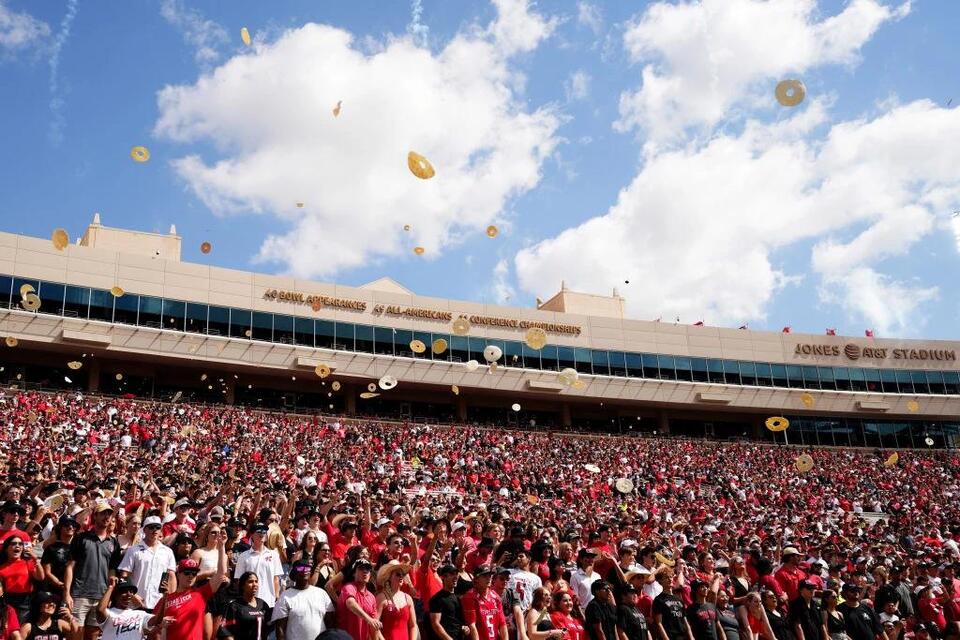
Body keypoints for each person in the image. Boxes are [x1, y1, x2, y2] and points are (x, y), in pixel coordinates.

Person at [148, 536, 227, 640]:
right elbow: (150, 628)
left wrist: (221, 547)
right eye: (187, 573)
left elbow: (220, 574)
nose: (191, 576)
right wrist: (161, 626)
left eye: (194, 573)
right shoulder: (165, 599)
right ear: (178, 574)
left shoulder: (201, 593)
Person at [64, 502, 122, 637]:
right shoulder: (81, 538)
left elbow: (112, 568)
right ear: (95, 516)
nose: (107, 517)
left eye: (109, 514)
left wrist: (112, 580)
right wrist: (67, 593)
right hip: (79, 595)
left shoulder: (113, 542)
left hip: (101, 596)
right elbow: (70, 566)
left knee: (93, 636)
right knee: (75, 635)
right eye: (103, 513)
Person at [117, 515, 176, 610]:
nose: (155, 530)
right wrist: (132, 595)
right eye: (151, 527)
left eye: (157, 527)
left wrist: (171, 600)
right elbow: (124, 575)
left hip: (158, 604)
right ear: (144, 530)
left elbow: (171, 576)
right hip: (135, 604)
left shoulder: (168, 552)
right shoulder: (133, 550)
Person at [272, 560, 336, 640]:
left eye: (307, 568)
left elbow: (330, 623)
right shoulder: (285, 596)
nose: (304, 571)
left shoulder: (321, 593)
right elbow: (280, 628)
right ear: (294, 573)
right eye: (300, 568)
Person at [233, 524, 284, 610]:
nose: (262, 534)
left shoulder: (274, 555)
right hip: (249, 602)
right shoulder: (243, 556)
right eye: (259, 531)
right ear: (252, 535)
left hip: (269, 602)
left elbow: (276, 579)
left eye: (264, 531)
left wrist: (277, 597)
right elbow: (239, 580)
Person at [0, 535, 43, 624]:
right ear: (6, 548)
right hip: (7, 600)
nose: (17, 546)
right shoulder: (1, 567)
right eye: (13, 544)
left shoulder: (28, 562)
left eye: (20, 544)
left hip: (24, 601)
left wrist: (35, 559)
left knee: (21, 627)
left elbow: (40, 577)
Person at [219, 571, 272, 640]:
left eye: (256, 581)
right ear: (242, 585)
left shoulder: (263, 604)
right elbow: (226, 631)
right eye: (250, 581)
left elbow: (268, 628)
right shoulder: (234, 606)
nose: (254, 584)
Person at [338, 558, 380, 640]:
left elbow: (374, 626)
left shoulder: (371, 597)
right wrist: (369, 619)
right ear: (354, 573)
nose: (365, 572)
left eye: (367, 569)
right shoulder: (348, 587)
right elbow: (350, 603)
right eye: (361, 568)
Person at [39, 515, 78, 602]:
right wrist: (59, 583)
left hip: (74, 591)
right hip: (53, 591)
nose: (70, 527)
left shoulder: (78, 548)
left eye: (73, 525)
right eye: (67, 524)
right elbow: (46, 571)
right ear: (60, 528)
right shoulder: (51, 548)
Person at [376, 562, 419, 640]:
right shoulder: (381, 597)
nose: (401, 577)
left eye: (403, 574)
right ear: (389, 577)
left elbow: (413, 625)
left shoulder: (408, 598)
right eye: (398, 574)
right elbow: (375, 625)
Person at [463, 567, 507, 640]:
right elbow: (472, 625)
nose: (488, 578)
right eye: (484, 576)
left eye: (489, 576)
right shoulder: (470, 597)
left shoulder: (496, 597)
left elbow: (502, 624)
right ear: (476, 579)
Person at [431, 565, 468, 640]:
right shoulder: (436, 599)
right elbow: (435, 624)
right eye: (451, 574)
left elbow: (458, 621)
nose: (455, 577)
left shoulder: (458, 598)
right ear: (443, 577)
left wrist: (465, 628)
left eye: (456, 574)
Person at [652, 571, 690, 640]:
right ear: (660, 581)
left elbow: (685, 621)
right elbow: (659, 623)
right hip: (670, 636)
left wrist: (691, 636)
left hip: (683, 637)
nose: (670, 579)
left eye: (671, 577)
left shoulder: (679, 599)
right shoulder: (658, 600)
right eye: (666, 577)